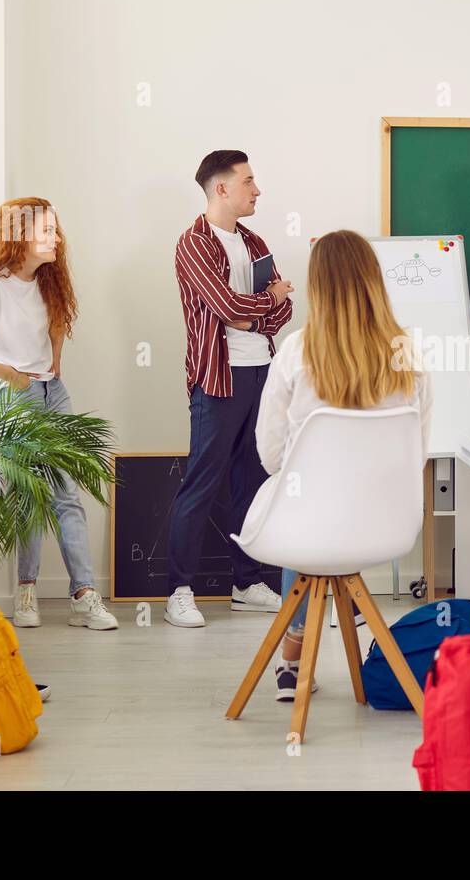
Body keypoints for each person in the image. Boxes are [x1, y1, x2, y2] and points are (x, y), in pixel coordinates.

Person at [250, 229, 431, 700]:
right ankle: (336, 615)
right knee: (315, 507)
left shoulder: (294, 351)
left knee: (299, 501)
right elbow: (418, 454)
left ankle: (292, 658)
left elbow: (270, 457)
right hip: (383, 525)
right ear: (374, 280)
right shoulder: (408, 353)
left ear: (317, 286)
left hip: (309, 525)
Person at [0, 197, 118, 630]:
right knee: (30, 497)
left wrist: (54, 360)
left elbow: (56, 322)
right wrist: (8, 374)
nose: (57, 238)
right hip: (13, 396)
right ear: (19, 236)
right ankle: (26, 591)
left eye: (56, 230)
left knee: (66, 494)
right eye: (47, 231)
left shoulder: (48, 281)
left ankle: (84, 594)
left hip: (50, 390)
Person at [165, 150, 295, 628]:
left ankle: (246, 583)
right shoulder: (194, 243)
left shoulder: (254, 240)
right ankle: (179, 589)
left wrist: (256, 309)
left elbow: (280, 314)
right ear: (221, 188)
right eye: (249, 181)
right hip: (218, 376)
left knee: (253, 479)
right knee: (203, 481)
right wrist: (266, 302)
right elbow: (226, 306)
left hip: (263, 370)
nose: (256, 190)